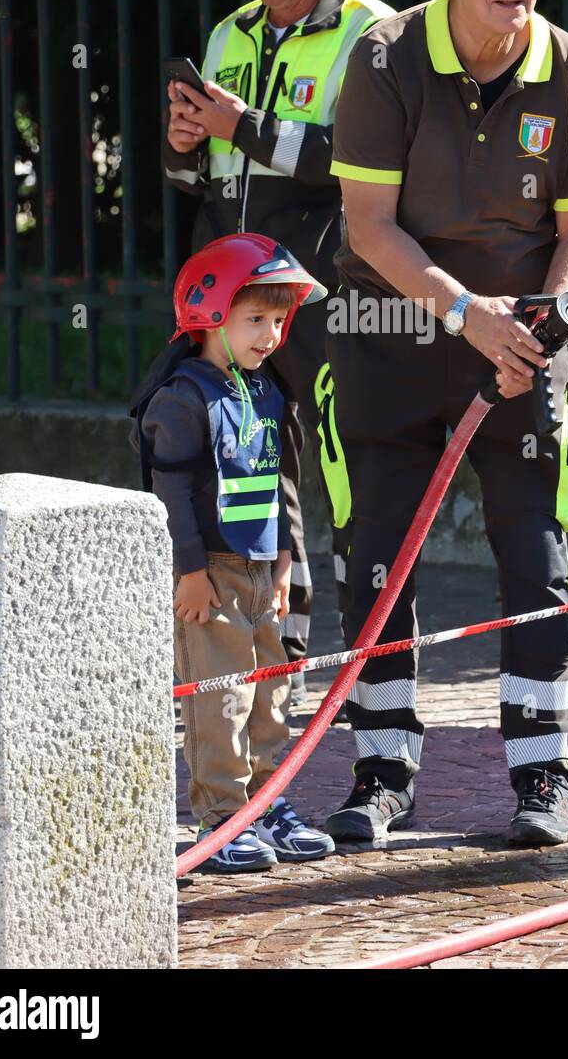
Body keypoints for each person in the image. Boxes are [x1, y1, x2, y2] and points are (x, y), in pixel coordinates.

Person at [323, 0, 568, 847]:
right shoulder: (382, 59)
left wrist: (548, 324)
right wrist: (462, 314)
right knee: (377, 556)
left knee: (534, 553)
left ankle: (543, 774)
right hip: (393, 332)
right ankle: (381, 771)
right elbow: (368, 227)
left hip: (519, 345)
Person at [163, 0, 394, 693]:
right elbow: (197, 178)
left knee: (347, 481)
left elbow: (357, 165)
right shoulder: (231, 32)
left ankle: (367, 673)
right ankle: (279, 658)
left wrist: (242, 125)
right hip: (233, 299)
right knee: (252, 478)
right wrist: (186, 139)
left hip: (325, 293)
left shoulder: (374, 32)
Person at [137, 233, 335, 871]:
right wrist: (188, 573)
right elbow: (168, 492)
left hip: (259, 574)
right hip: (211, 577)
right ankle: (221, 817)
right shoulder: (183, 398)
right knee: (220, 697)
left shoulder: (266, 390)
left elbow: (278, 480)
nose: (271, 334)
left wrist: (282, 564)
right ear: (209, 313)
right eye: (256, 319)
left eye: (279, 320)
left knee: (271, 691)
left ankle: (268, 801)